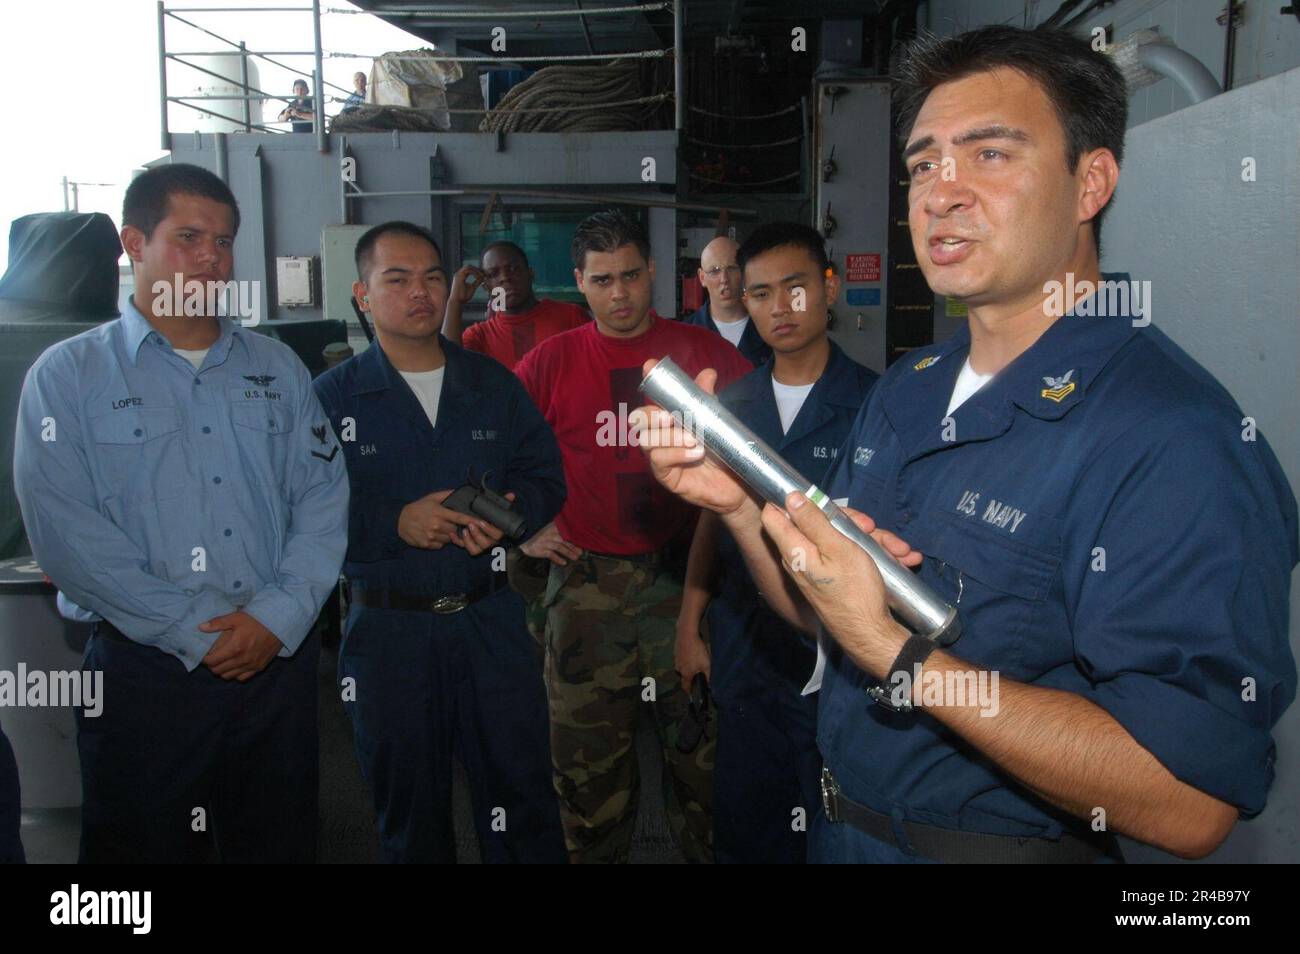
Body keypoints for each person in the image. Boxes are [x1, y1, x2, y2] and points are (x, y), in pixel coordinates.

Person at [636, 26, 1298, 864]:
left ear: (1091, 181)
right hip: (839, 830)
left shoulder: (1175, 439)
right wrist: (735, 505)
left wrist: (901, 657)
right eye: (922, 165)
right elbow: (830, 615)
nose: (940, 195)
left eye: (989, 156)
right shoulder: (908, 388)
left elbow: (1190, 799)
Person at [13, 163, 349, 863]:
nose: (211, 259)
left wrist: (279, 616)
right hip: (144, 673)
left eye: (223, 242)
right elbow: (66, 534)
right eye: (189, 237)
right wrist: (188, 631)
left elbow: (321, 500)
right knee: (139, 856)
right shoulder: (68, 376)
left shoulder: (276, 367)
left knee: (279, 844)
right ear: (135, 243)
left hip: (272, 665)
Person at [313, 221, 567, 863]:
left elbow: (544, 475)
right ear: (362, 295)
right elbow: (300, 512)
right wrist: (390, 521)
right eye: (395, 279)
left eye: (431, 276)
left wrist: (515, 512)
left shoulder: (492, 385)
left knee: (522, 800)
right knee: (410, 811)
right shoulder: (330, 399)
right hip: (388, 633)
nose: (419, 292)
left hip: (493, 622)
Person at [513, 210, 751, 863]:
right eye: (601, 280)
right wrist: (525, 525)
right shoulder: (550, 363)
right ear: (578, 284)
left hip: (691, 583)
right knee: (588, 777)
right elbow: (496, 446)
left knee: (704, 763)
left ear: (652, 274)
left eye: (630, 276)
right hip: (585, 589)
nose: (619, 294)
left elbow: (761, 458)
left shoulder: (707, 357)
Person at [677, 222, 877, 863]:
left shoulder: (877, 404)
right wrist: (689, 623)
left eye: (795, 288)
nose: (778, 308)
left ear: (830, 288)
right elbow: (713, 519)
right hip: (748, 647)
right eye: (759, 293)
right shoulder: (730, 406)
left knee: (836, 825)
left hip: (842, 655)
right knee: (746, 825)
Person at [442, 241, 589, 372]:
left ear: (530, 273)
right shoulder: (480, 336)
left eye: (513, 268)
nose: (505, 277)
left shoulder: (570, 316)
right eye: (493, 273)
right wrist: (454, 302)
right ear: (486, 287)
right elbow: (447, 370)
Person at [684, 236, 771, 367]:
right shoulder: (685, 335)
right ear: (702, 278)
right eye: (715, 271)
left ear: (745, 272)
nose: (724, 279)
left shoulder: (770, 328)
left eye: (732, 268)